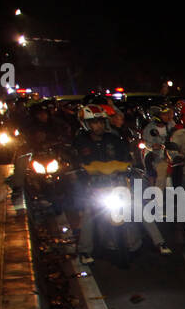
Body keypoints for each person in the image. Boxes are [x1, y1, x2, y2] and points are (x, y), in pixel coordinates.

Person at [72, 104, 144, 264]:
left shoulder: (114, 138)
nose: (97, 126)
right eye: (93, 123)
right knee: (88, 214)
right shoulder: (80, 142)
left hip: (116, 182)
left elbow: (126, 157)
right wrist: (79, 170)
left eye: (100, 122)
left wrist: (130, 166)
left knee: (135, 206)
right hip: (93, 185)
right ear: (86, 124)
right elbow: (75, 161)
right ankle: (85, 250)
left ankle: (148, 242)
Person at [141, 104, 176, 188]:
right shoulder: (149, 128)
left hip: (171, 154)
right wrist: (153, 146)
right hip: (156, 156)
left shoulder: (172, 125)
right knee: (161, 170)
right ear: (157, 116)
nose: (167, 116)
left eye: (168, 114)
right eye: (164, 114)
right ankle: (156, 192)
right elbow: (147, 143)